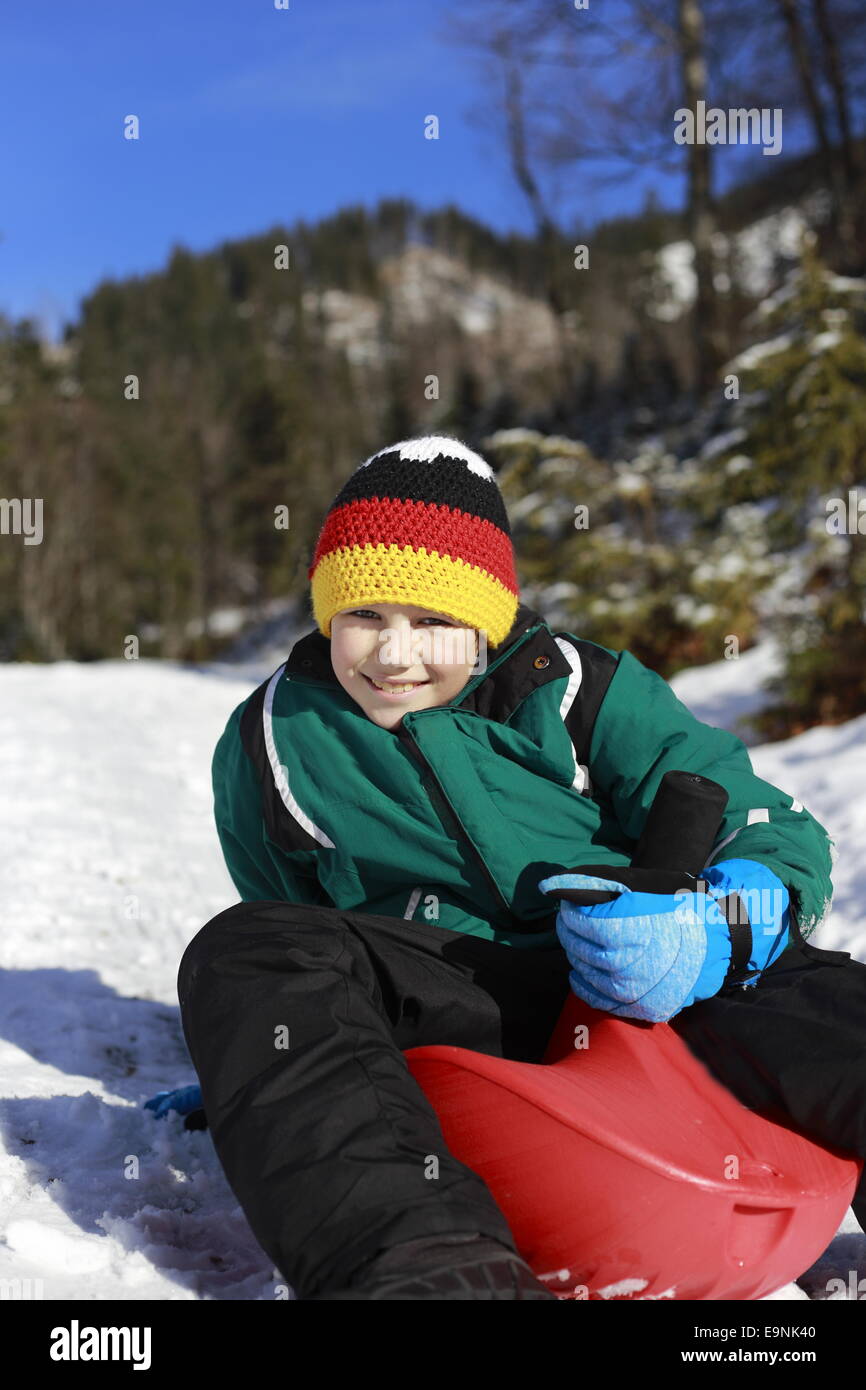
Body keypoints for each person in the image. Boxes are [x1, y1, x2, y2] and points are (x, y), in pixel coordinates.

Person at [170, 434, 866, 1301]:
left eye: (433, 622)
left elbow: (756, 815)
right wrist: (261, 1050)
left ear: (487, 620)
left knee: (831, 1007)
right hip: (466, 989)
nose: (393, 655)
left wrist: (716, 932)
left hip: (647, 956)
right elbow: (292, 909)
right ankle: (434, 1272)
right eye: (364, 616)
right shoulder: (276, 738)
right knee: (249, 951)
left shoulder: (572, 686)